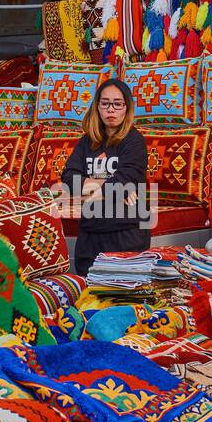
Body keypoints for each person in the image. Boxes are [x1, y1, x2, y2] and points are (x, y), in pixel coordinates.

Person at [54, 78, 150, 276]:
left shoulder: (134, 141)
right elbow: (69, 179)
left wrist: (88, 188)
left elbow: (125, 181)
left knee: (122, 296)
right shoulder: (86, 142)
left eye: (117, 104)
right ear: (97, 107)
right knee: (87, 298)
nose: (111, 109)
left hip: (126, 232)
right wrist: (107, 188)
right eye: (105, 103)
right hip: (91, 232)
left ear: (126, 108)